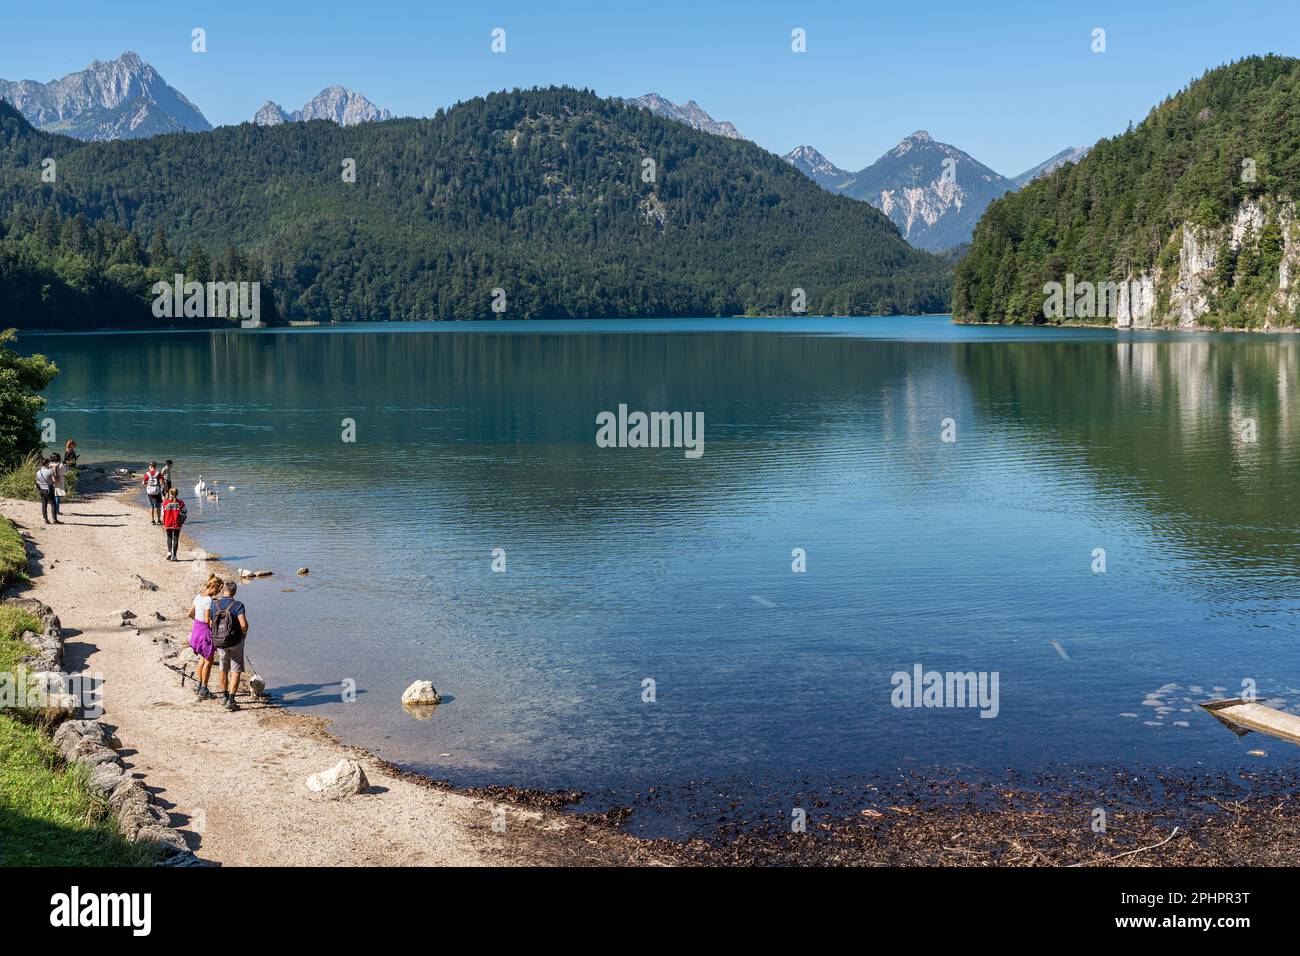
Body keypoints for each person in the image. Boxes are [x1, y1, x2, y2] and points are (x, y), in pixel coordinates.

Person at [211, 580, 249, 712]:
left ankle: (224, 696)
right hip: (235, 641)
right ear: (235, 592)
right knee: (236, 669)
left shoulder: (214, 604)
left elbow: (212, 622)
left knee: (223, 668)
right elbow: (243, 624)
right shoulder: (238, 605)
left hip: (220, 642)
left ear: (223, 590)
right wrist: (244, 634)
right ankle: (231, 700)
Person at [187, 577, 222, 700]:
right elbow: (207, 619)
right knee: (209, 661)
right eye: (218, 589)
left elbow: (190, 613)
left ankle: (200, 685)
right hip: (205, 632)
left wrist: (199, 622)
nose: (218, 592)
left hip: (196, 629)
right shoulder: (208, 600)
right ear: (213, 587)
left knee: (202, 660)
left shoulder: (198, 597)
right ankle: (204, 689)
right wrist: (216, 627)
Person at [161, 487, 187, 561]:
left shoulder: (165, 503)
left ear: (170, 493)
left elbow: (163, 514)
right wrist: (182, 521)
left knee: (169, 537)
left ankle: (169, 552)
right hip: (177, 523)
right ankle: (174, 556)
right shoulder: (181, 503)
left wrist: (164, 521)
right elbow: (185, 512)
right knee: (175, 539)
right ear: (177, 494)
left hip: (168, 522)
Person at [35, 457, 58, 524]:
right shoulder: (50, 471)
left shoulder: (38, 472)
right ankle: (54, 519)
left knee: (44, 504)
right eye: (49, 463)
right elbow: (54, 481)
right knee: (53, 504)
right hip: (49, 489)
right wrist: (55, 474)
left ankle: (45, 519)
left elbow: (37, 481)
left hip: (41, 489)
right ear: (47, 463)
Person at [49, 453, 66, 522]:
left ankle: (53, 510)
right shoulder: (61, 465)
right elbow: (64, 472)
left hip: (51, 481)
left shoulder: (49, 464)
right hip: (59, 481)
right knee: (57, 496)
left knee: (52, 496)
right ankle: (57, 510)